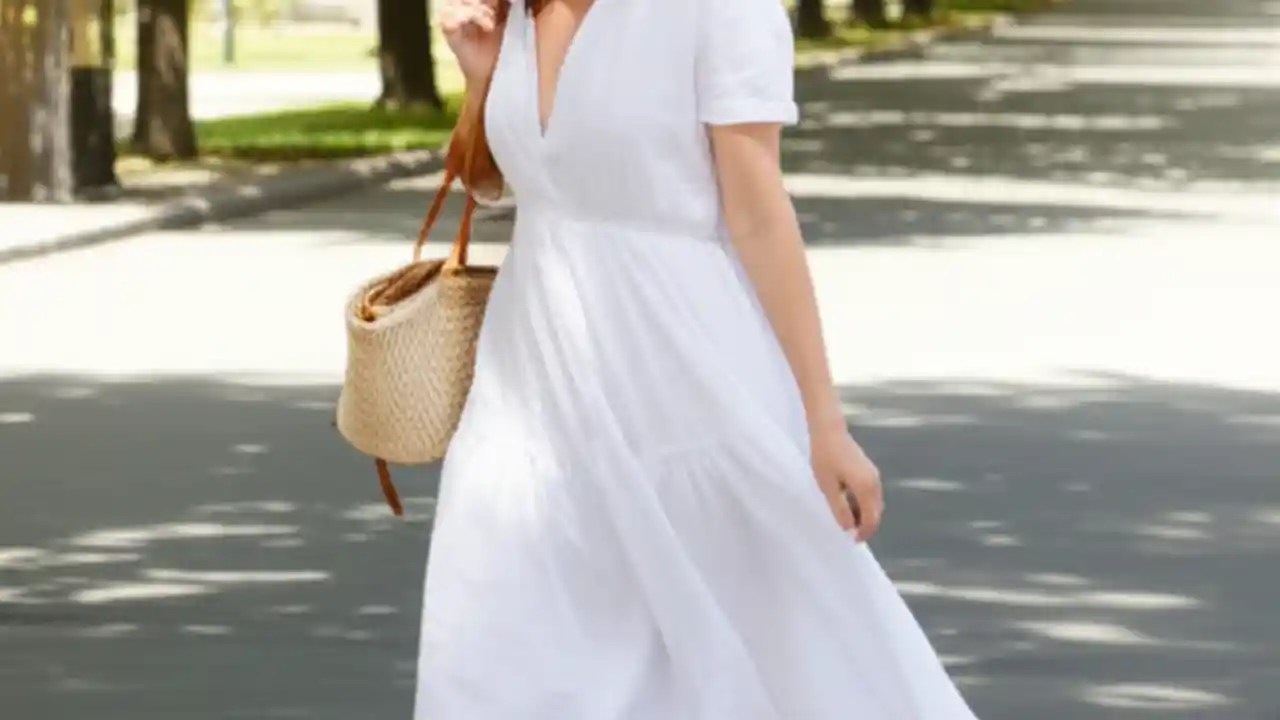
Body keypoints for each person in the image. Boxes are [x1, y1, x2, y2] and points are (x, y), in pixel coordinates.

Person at [414, 0, 980, 717]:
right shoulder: (519, 13)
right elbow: (502, 185)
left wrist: (823, 422)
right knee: (509, 644)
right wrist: (482, 79)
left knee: (765, 650)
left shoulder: (722, 11)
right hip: (531, 385)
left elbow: (759, 216)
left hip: (681, 372)